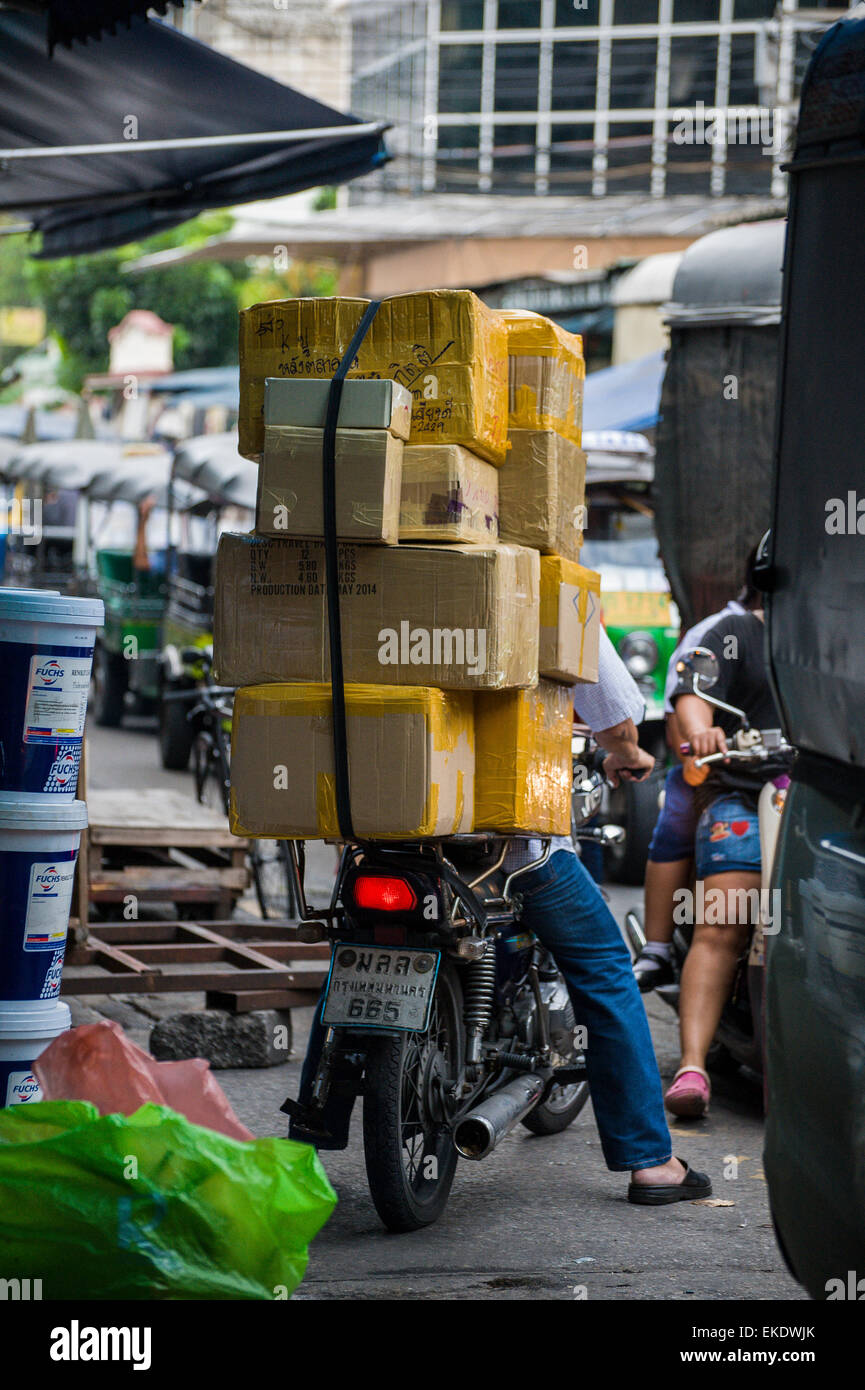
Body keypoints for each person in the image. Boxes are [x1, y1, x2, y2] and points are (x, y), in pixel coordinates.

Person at [292, 626, 712, 1205]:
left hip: (383, 837)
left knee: (354, 960)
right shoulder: (538, 589)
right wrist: (627, 751)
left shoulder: (371, 580)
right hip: (507, 851)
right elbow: (614, 716)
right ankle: (650, 1161)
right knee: (608, 970)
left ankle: (305, 1135)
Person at [664, 600, 788, 1118]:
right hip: (743, 795)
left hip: (831, 802)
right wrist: (702, 729)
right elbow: (694, 694)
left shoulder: (841, 634)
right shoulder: (737, 632)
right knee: (723, 922)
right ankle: (693, 1065)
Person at [631, 555, 759, 993]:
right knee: (678, 822)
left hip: (784, 775)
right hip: (720, 770)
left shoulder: (806, 636)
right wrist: (700, 746)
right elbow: (681, 709)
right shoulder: (716, 633)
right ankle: (658, 949)